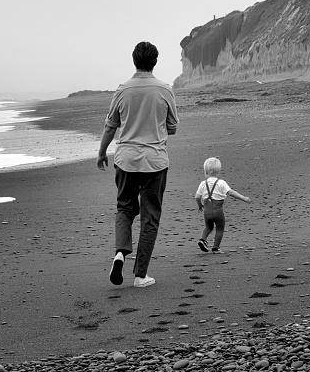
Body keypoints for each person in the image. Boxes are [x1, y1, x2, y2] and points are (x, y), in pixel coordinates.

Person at [97, 41, 179, 288]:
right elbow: (173, 127)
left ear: (134, 60)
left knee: (124, 209)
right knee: (150, 217)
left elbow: (111, 125)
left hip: (126, 160)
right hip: (155, 161)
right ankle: (141, 275)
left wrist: (102, 152)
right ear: (155, 62)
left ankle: (121, 253)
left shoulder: (122, 90)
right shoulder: (165, 90)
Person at [194, 157, 251, 253]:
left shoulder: (203, 184)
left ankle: (202, 239)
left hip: (207, 211)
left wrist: (200, 205)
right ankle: (216, 247)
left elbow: (197, 197)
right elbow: (231, 193)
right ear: (218, 171)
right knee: (220, 228)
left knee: (208, 227)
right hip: (218, 211)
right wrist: (244, 198)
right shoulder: (221, 183)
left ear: (205, 172)